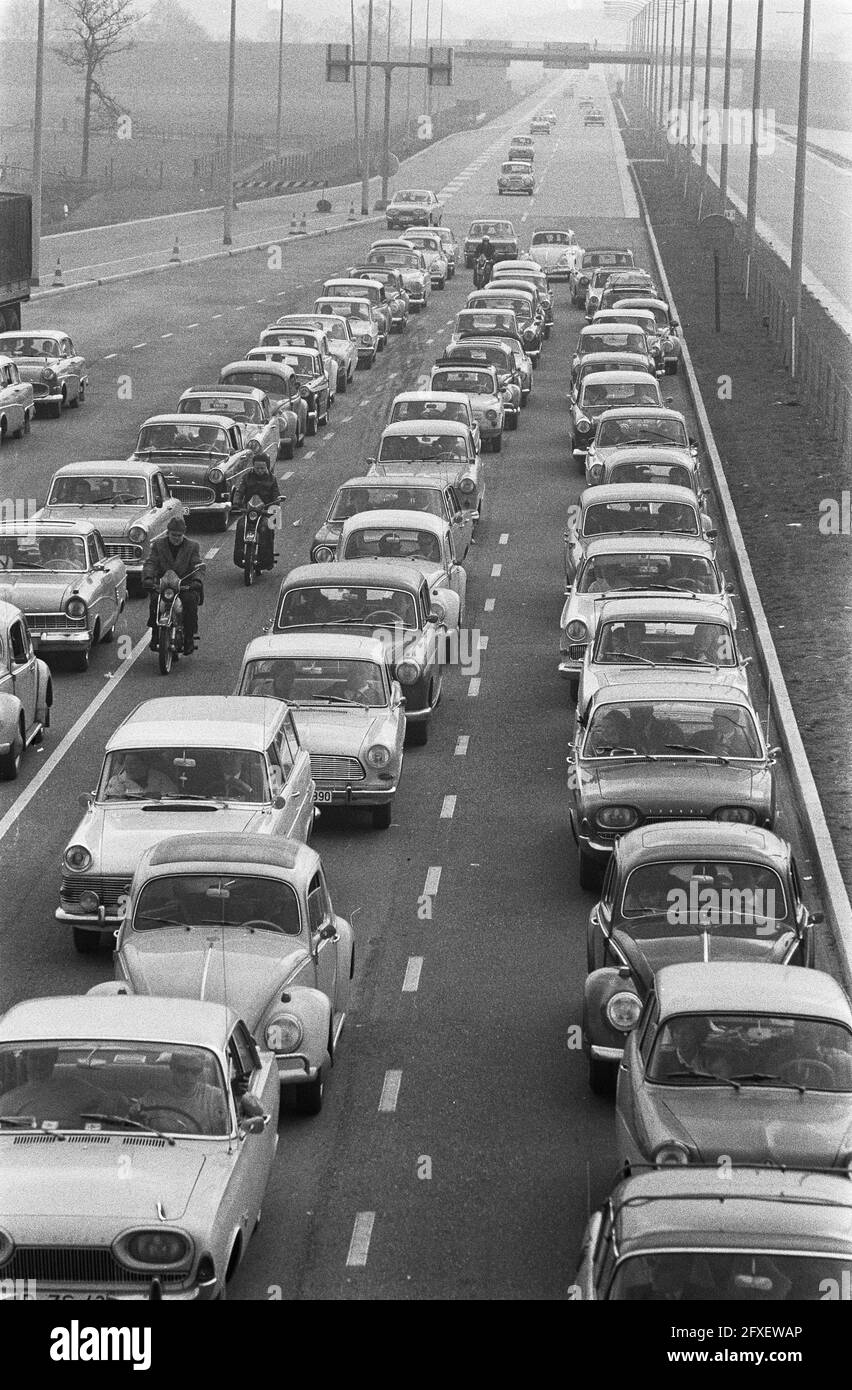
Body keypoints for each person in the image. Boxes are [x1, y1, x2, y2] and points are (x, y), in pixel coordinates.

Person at [141, 515, 204, 655]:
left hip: (184, 584)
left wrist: (197, 580)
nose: (176, 538)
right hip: (164, 585)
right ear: (168, 532)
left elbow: (197, 565)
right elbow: (151, 563)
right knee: (154, 601)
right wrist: (148, 578)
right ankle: (155, 633)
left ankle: (189, 639)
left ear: (184, 534)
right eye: (174, 535)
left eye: (179, 535)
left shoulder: (192, 546)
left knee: (190, 602)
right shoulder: (158, 545)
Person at [130, 1051, 229, 1135]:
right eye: (182, 1070)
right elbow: (129, 1126)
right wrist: (135, 1117)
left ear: (201, 1071)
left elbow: (235, 1124)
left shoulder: (215, 1097)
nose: (189, 1076)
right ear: (172, 1068)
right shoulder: (152, 1099)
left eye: (195, 1071)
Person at [233, 454, 281, 571]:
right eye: (257, 468)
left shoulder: (272, 479)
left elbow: (276, 496)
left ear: (267, 467)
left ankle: (267, 561)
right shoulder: (247, 477)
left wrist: (275, 504)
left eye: (262, 468)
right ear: (253, 467)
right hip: (250, 511)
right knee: (240, 525)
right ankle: (239, 557)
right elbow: (240, 491)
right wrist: (236, 501)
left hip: (266, 511)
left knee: (267, 528)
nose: (259, 470)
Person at [105, 752, 177, 799]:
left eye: (134, 763)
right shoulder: (117, 781)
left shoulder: (160, 778)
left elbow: (173, 795)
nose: (130, 767)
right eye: (127, 763)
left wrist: (158, 796)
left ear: (145, 764)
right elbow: (112, 802)